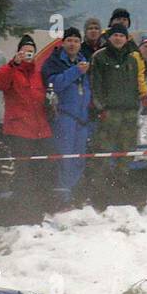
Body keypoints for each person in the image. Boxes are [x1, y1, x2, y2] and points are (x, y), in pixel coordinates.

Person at [0, 35, 53, 211]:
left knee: (40, 168)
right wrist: (13, 64)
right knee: (21, 171)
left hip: (39, 129)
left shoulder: (39, 73)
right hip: (18, 129)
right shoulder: (11, 69)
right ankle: (20, 207)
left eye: (31, 51)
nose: (28, 54)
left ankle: (38, 205)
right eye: (25, 50)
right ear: (19, 52)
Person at [40, 26, 93, 205]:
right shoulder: (54, 61)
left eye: (76, 41)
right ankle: (61, 197)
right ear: (62, 43)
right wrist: (75, 71)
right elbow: (53, 84)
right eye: (69, 40)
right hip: (64, 116)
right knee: (64, 157)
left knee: (79, 158)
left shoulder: (83, 60)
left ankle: (72, 193)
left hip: (82, 118)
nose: (73, 44)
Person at [90, 24, 143, 200]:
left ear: (126, 38)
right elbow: (95, 85)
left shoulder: (132, 59)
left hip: (129, 111)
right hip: (109, 112)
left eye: (122, 35)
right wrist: (100, 107)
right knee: (103, 152)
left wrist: (138, 104)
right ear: (109, 38)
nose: (118, 38)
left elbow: (137, 83)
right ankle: (100, 189)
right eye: (115, 35)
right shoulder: (99, 57)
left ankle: (122, 186)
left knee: (127, 151)